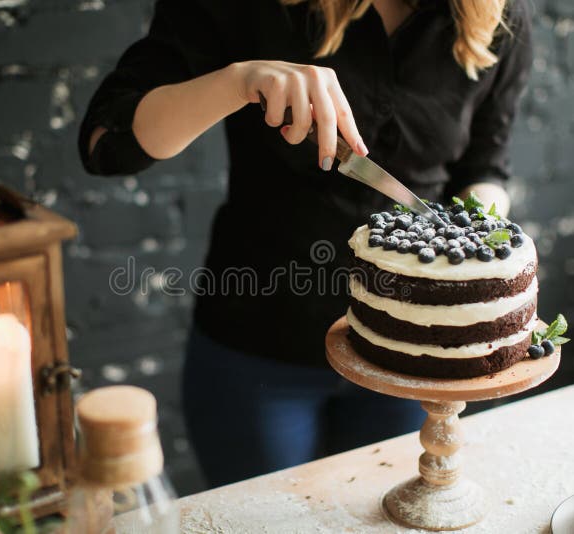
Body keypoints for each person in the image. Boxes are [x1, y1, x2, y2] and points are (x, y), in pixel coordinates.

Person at [79, 0, 532, 488]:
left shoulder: (497, 16)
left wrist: (478, 251)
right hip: (257, 347)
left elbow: (484, 166)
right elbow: (106, 143)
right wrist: (239, 81)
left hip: (411, 359)